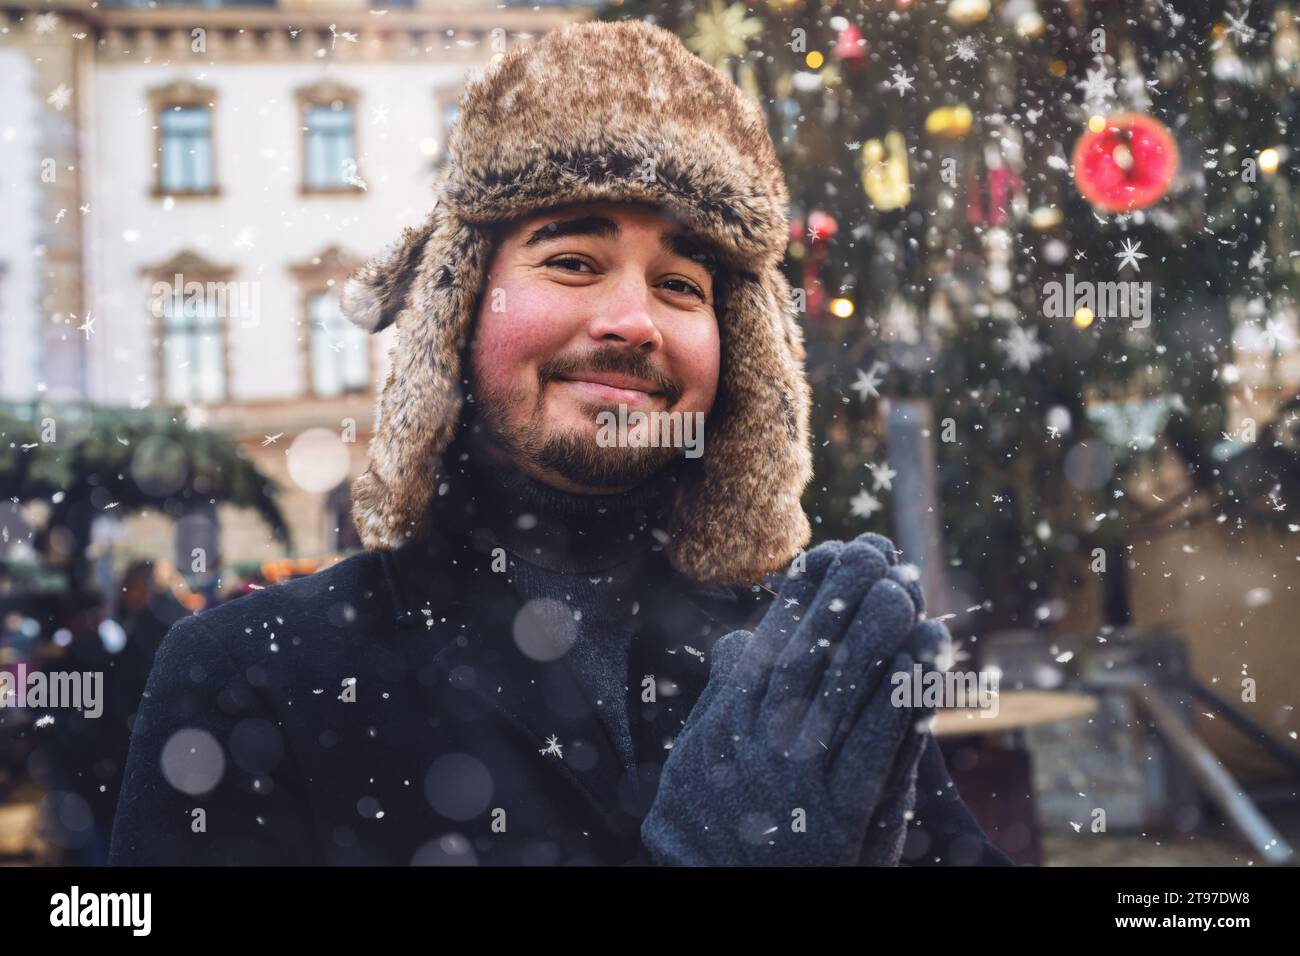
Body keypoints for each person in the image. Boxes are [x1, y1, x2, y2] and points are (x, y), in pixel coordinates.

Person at [109, 19, 1010, 867]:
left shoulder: (801, 658)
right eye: (574, 261)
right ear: (459, 310)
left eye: (682, 285)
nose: (632, 322)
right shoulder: (255, 670)